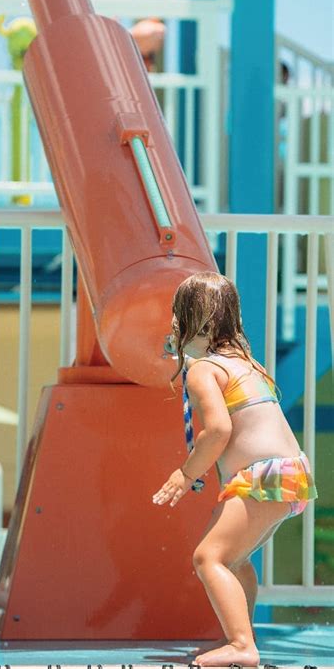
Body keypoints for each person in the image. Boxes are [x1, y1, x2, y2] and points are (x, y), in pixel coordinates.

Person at [153, 271, 317, 667]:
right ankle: (243, 637)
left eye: (178, 314)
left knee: (208, 558)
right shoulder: (245, 362)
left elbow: (218, 431)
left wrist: (185, 474)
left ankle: (242, 645)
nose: (173, 323)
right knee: (234, 559)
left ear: (197, 321)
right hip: (293, 473)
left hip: (264, 475)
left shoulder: (204, 369)